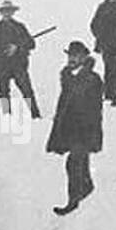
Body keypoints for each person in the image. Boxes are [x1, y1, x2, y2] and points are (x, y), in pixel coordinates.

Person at [46, 40, 104, 216]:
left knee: (74, 162)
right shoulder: (67, 76)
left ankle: (73, 200)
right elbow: (64, 102)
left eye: (76, 56)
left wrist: (90, 130)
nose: (72, 59)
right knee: (79, 161)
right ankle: (87, 188)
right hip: (69, 128)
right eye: (70, 55)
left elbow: (93, 108)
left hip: (86, 128)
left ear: (84, 57)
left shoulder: (92, 79)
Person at [0, 0, 41, 118]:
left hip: (18, 65)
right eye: (4, 11)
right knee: (3, 93)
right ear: (1, 13)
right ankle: (6, 116)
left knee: (27, 90)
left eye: (9, 11)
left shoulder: (20, 27)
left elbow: (31, 44)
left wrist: (17, 48)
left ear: (13, 12)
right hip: (1, 67)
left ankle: (35, 115)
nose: (6, 13)